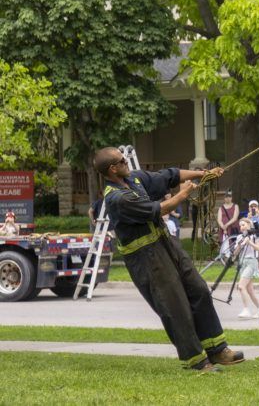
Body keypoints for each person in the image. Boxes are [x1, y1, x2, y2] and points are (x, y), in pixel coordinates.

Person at [93, 146, 243, 371]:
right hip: (146, 257)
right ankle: (196, 361)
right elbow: (160, 209)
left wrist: (202, 175)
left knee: (199, 289)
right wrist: (183, 194)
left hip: (165, 243)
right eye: (122, 161)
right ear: (113, 169)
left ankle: (217, 350)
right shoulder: (116, 198)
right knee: (175, 306)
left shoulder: (134, 179)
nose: (127, 162)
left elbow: (169, 175)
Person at [233, 218, 259, 319]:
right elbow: (235, 253)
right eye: (240, 225)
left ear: (249, 225)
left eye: (243, 225)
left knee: (241, 286)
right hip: (242, 263)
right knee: (250, 290)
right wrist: (240, 244)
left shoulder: (255, 236)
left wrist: (250, 242)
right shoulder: (239, 237)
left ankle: (246, 309)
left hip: (251, 262)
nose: (241, 227)